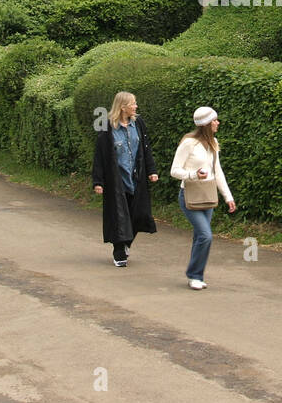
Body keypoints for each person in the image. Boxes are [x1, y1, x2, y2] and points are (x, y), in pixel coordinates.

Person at [170, 106, 236, 290]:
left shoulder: (213, 142)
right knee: (206, 235)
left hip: (207, 195)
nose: (218, 123)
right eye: (214, 120)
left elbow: (217, 171)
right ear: (206, 124)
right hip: (189, 196)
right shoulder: (189, 143)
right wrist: (193, 174)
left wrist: (228, 196)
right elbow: (174, 171)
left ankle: (195, 275)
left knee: (200, 236)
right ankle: (194, 275)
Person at [91, 92, 159, 267]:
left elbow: (146, 148)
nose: (136, 106)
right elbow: (99, 154)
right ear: (122, 107)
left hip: (136, 177)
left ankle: (127, 242)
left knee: (139, 214)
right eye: (133, 104)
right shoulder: (106, 127)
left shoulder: (138, 123)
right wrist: (98, 181)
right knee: (119, 216)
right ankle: (119, 251)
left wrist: (151, 170)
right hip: (116, 179)